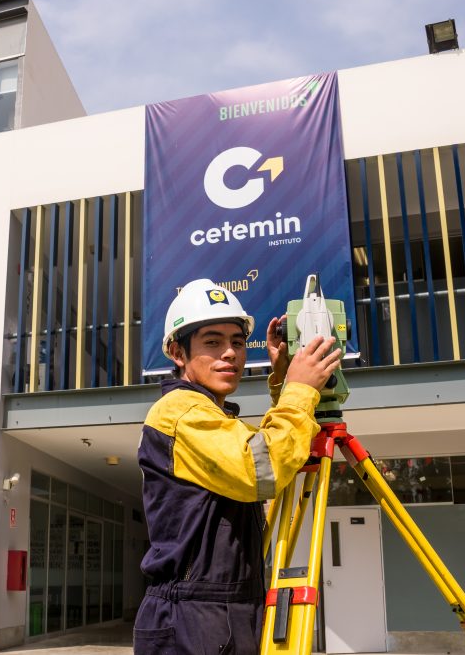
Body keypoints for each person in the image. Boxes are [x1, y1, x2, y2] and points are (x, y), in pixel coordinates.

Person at [134, 278, 341, 655]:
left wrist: (282, 383)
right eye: (212, 342)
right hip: (194, 615)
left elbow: (272, 449)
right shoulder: (181, 411)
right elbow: (259, 471)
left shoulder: (215, 419)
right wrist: (299, 391)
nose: (229, 353)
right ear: (177, 352)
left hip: (221, 609)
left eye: (238, 342)